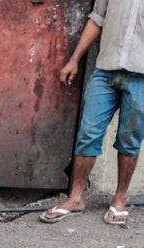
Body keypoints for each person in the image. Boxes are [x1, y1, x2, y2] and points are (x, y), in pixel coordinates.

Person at [41, 0, 144, 226]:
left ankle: (119, 200)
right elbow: (97, 19)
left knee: (129, 141)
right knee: (88, 133)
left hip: (141, 77)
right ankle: (76, 199)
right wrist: (74, 60)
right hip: (105, 72)